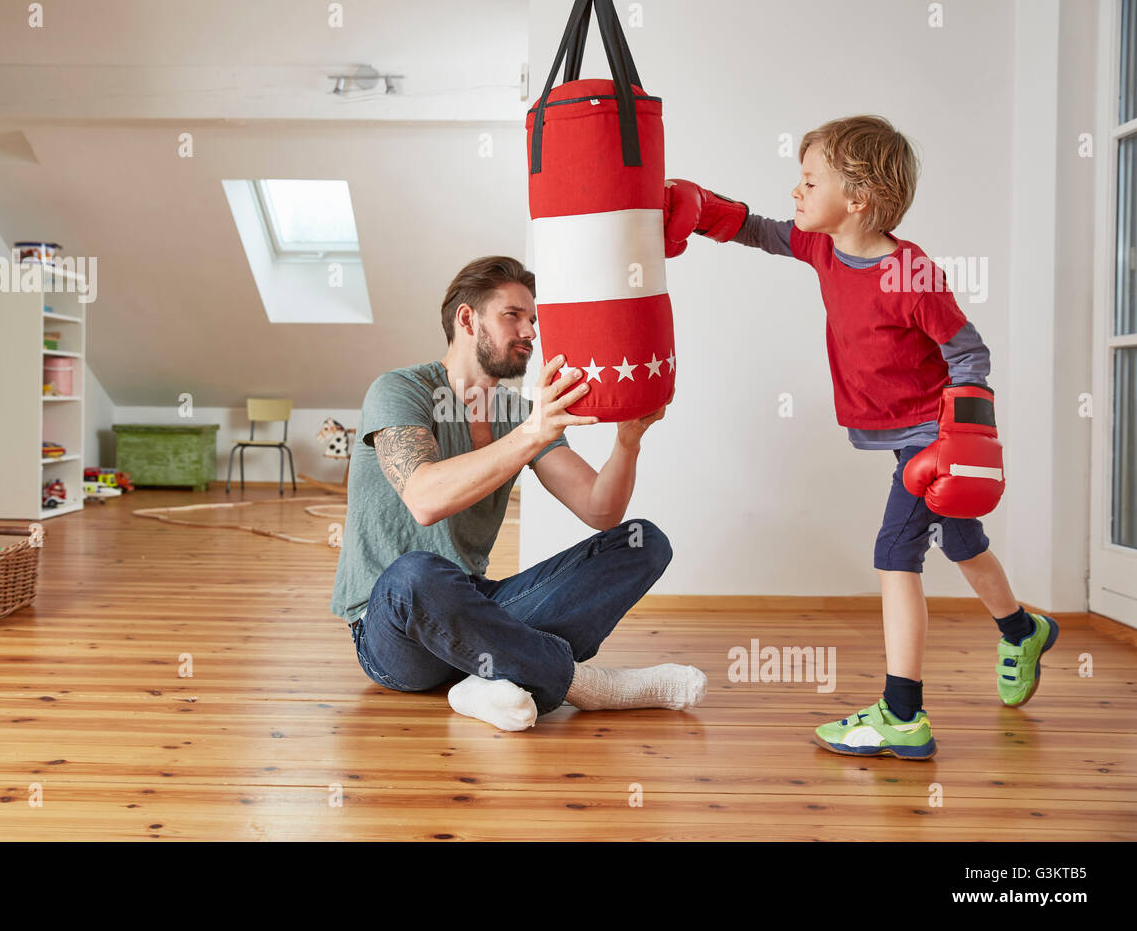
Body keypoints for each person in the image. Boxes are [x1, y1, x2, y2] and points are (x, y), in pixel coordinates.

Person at [664, 115, 1058, 760]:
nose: (796, 191)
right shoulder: (824, 248)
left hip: (936, 435)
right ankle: (1023, 630)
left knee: (894, 554)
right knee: (962, 541)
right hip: (903, 436)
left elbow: (969, 354)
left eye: (809, 179)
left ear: (857, 200)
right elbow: (763, 231)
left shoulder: (912, 274)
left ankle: (902, 713)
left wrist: (966, 434)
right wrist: (704, 211)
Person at [329, 255, 706, 731]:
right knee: (414, 574)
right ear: (467, 319)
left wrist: (628, 441)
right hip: (393, 629)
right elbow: (425, 499)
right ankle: (583, 685)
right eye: (513, 316)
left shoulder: (515, 411)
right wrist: (532, 432)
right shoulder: (401, 389)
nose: (530, 331)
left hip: (472, 610)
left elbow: (599, 510)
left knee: (642, 543)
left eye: (533, 320)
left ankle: (486, 679)